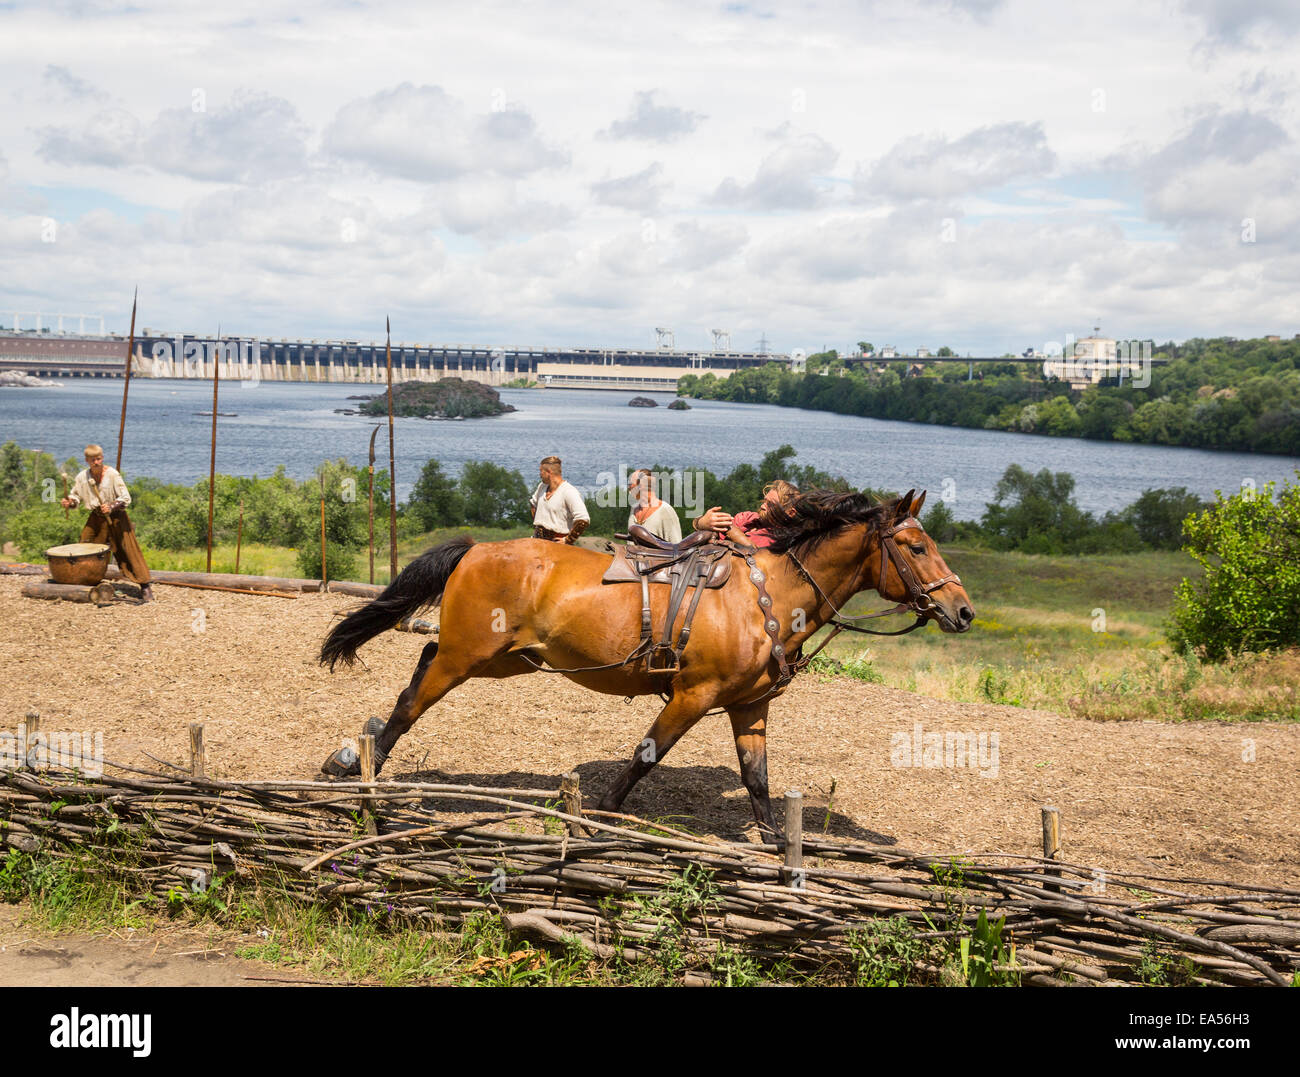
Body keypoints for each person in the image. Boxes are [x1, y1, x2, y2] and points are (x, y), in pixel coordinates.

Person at [61, 443, 154, 601]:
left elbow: (126, 498)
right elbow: (76, 496)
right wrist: (70, 503)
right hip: (96, 518)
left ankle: (145, 586)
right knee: (86, 546)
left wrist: (111, 506)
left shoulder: (112, 474)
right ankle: (87, 581)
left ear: (102, 458)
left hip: (117, 518)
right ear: (87, 460)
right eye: (92, 460)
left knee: (128, 550)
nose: (96, 462)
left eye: (98, 459)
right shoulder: (82, 477)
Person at [692, 479, 798, 548]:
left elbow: (757, 554)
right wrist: (702, 522)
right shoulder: (747, 518)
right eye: (764, 501)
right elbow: (709, 527)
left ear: (790, 513)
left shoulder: (788, 540)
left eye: (770, 505)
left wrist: (732, 531)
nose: (762, 506)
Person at [529, 455, 590, 543]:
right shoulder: (542, 487)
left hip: (557, 545)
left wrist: (568, 540)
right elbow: (533, 504)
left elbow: (583, 519)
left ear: (549, 472)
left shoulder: (569, 491)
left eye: (541, 471)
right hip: (537, 540)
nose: (539, 474)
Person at [626, 468, 682, 542]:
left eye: (631, 484)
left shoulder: (666, 510)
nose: (628, 487)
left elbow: (677, 547)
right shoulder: (633, 510)